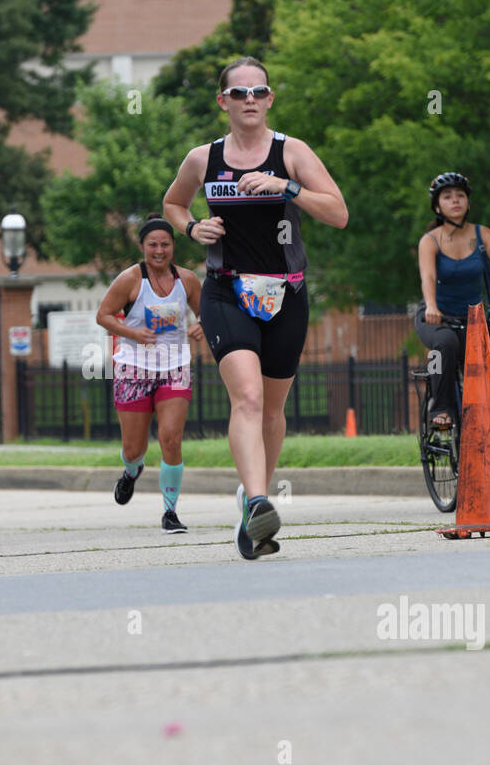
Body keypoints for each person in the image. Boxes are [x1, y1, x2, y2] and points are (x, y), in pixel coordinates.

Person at [162, 56, 348, 559]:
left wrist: (286, 187)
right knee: (245, 397)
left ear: (269, 100)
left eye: (258, 92)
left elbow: (339, 212)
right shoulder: (204, 158)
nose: (249, 100)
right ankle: (260, 501)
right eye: (239, 93)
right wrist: (191, 228)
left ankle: (253, 500)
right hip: (226, 291)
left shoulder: (292, 153)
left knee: (271, 409)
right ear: (223, 101)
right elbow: (173, 203)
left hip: (287, 293)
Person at [96, 214, 204, 533]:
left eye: (165, 244)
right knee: (134, 448)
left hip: (174, 367)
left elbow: (208, 311)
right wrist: (132, 334)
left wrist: (202, 325)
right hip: (133, 367)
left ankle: (170, 512)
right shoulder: (130, 279)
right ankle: (132, 471)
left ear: (173, 246)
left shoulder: (187, 280)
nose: (159, 251)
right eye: (152, 245)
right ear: (142, 246)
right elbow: (103, 315)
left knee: (170, 438)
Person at [414, 171, 490, 429]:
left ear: (468, 203)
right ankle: (441, 409)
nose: (455, 200)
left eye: (460, 196)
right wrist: (431, 306)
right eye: (447, 197)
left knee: (486, 356)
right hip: (437, 316)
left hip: (473, 317)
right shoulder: (430, 241)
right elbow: (427, 277)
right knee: (444, 343)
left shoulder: (483, 235)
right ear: (437, 206)